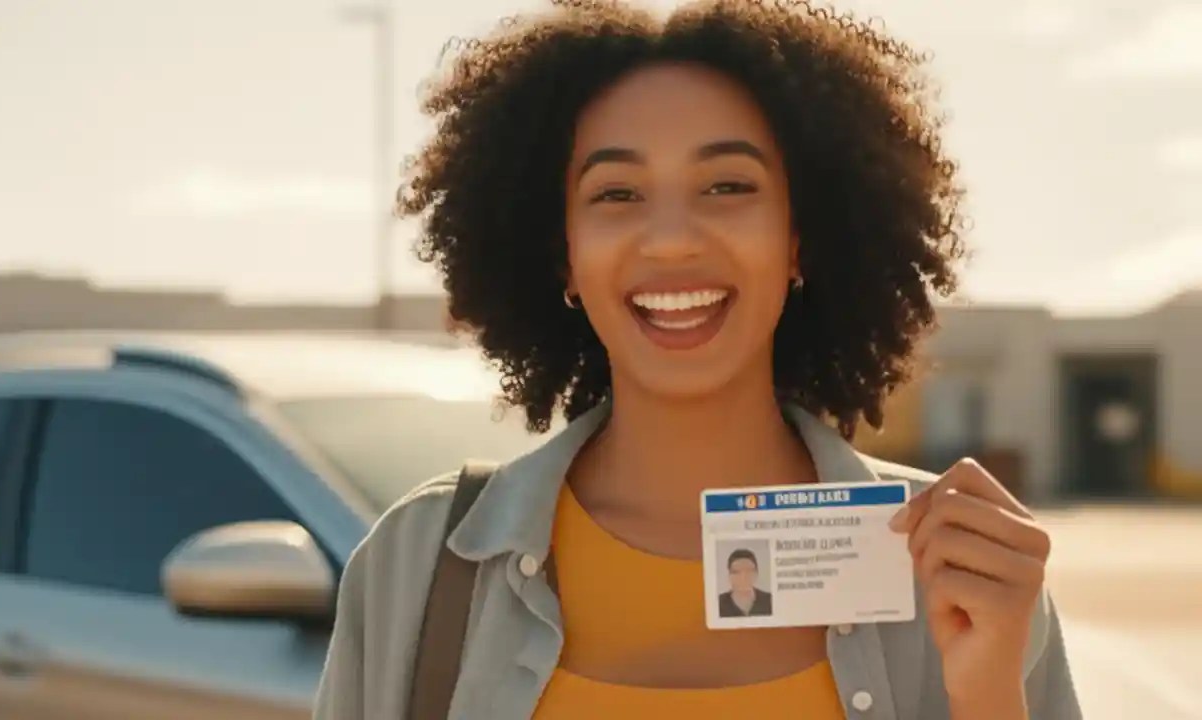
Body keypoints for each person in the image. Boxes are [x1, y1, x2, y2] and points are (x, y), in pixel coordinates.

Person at [315, 1, 1081, 719]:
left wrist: (989, 695)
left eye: (727, 185)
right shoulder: (415, 566)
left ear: (799, 239)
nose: (673, 240)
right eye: (617, 194)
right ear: (563, 256)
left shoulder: (957, 576)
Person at [718, 548, 773, 618]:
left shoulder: (770, 601)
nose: (743, 577)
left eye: (749, 571)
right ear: (729, 576)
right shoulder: (718, 604)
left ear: (756, 574)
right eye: (736, 572)